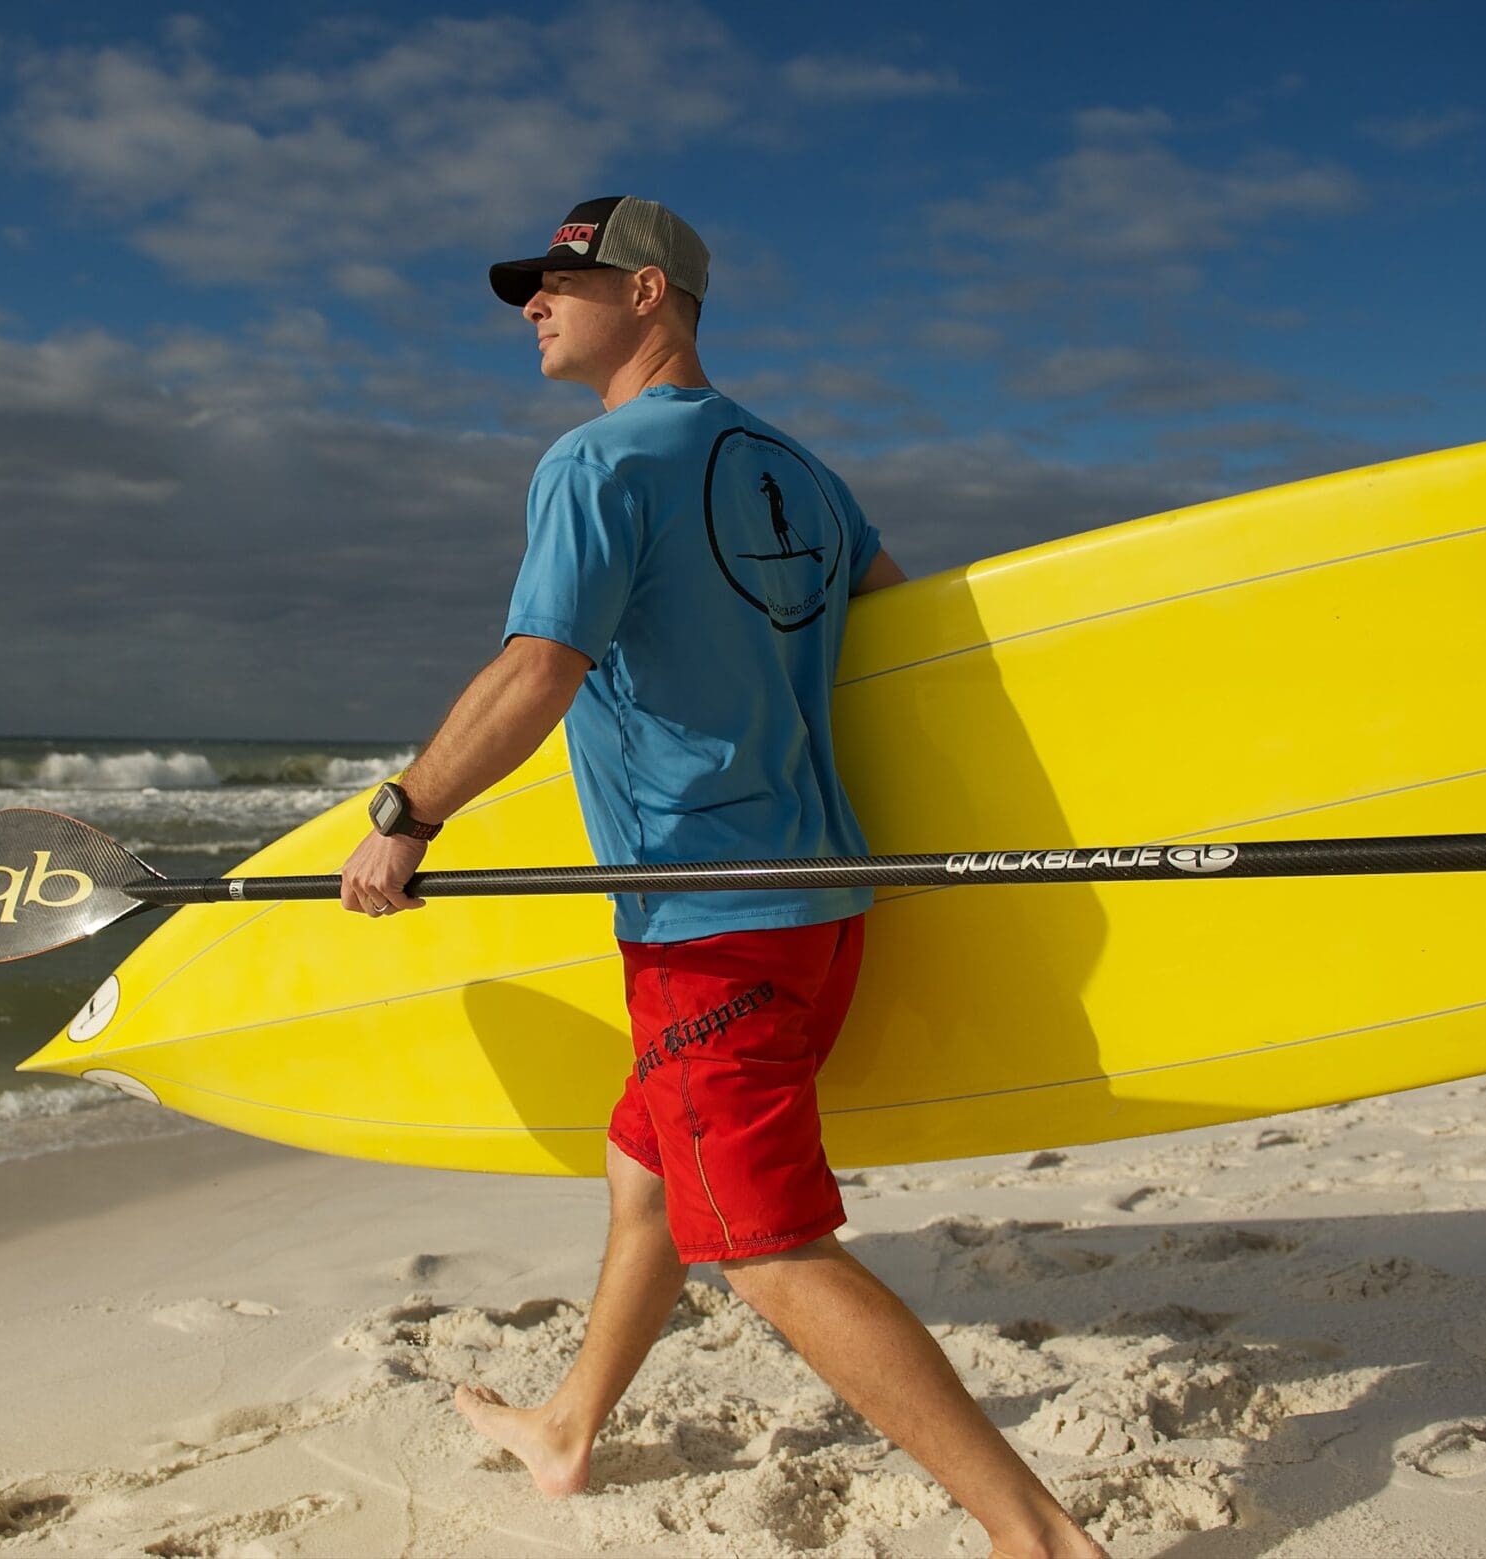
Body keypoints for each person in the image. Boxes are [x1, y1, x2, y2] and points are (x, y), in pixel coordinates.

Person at [338, 196, 1103, 1558]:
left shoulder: (597, 467)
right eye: (533, 286)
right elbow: (901, 651)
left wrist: (408, 812)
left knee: (762, 1247)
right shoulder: (803, 472)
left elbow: (537, 674)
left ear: (651, 296)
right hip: (822, 908)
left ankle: (1037, 1537)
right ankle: (571, 1429)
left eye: (565, 281)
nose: (535, 303)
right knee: (647, 1165)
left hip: (708, 923)